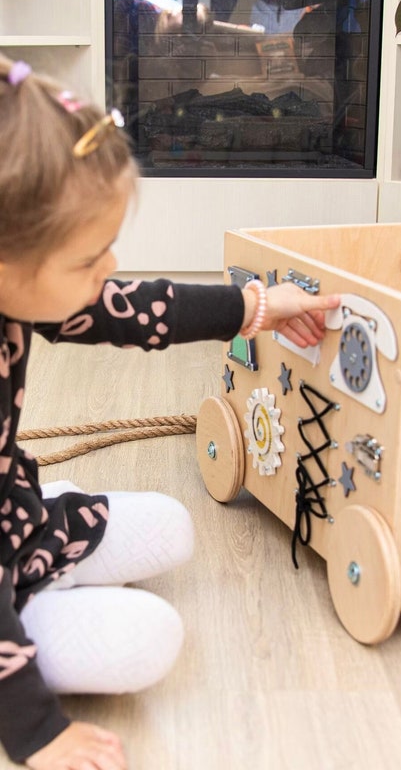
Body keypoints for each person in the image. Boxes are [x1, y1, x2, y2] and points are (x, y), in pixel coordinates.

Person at [0, 56, 340, 769]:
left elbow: (130, 310)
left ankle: (35, 571)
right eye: (88, 258)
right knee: (150, 640)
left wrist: (255, 307)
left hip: (14, 523)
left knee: (171, 527)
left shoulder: (19, 285)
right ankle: (25, 615)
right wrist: (37, 732)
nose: (109, 269)